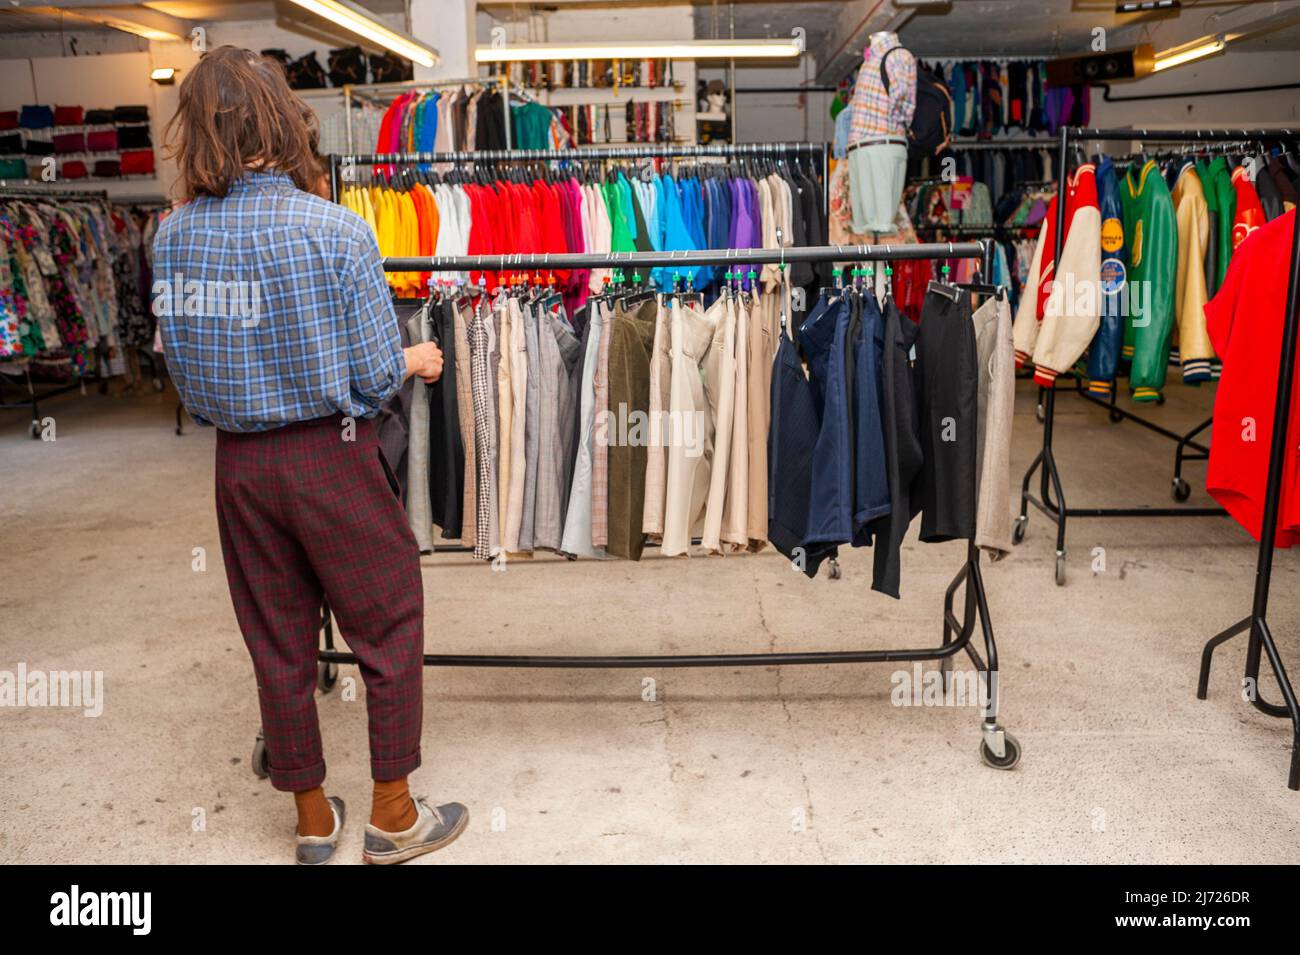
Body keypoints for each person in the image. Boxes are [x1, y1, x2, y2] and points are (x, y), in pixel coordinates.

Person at [154, 45, 467, 865]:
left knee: (277, 639)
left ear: (199, 131)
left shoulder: (172, 235)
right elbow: (368, 375)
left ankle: (311, 820)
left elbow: (181, 374)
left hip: (240, 466)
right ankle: (393, 813)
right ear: (280, 119)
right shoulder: (335, 229)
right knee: (388, 626)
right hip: (332, 455)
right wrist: (411, 358)